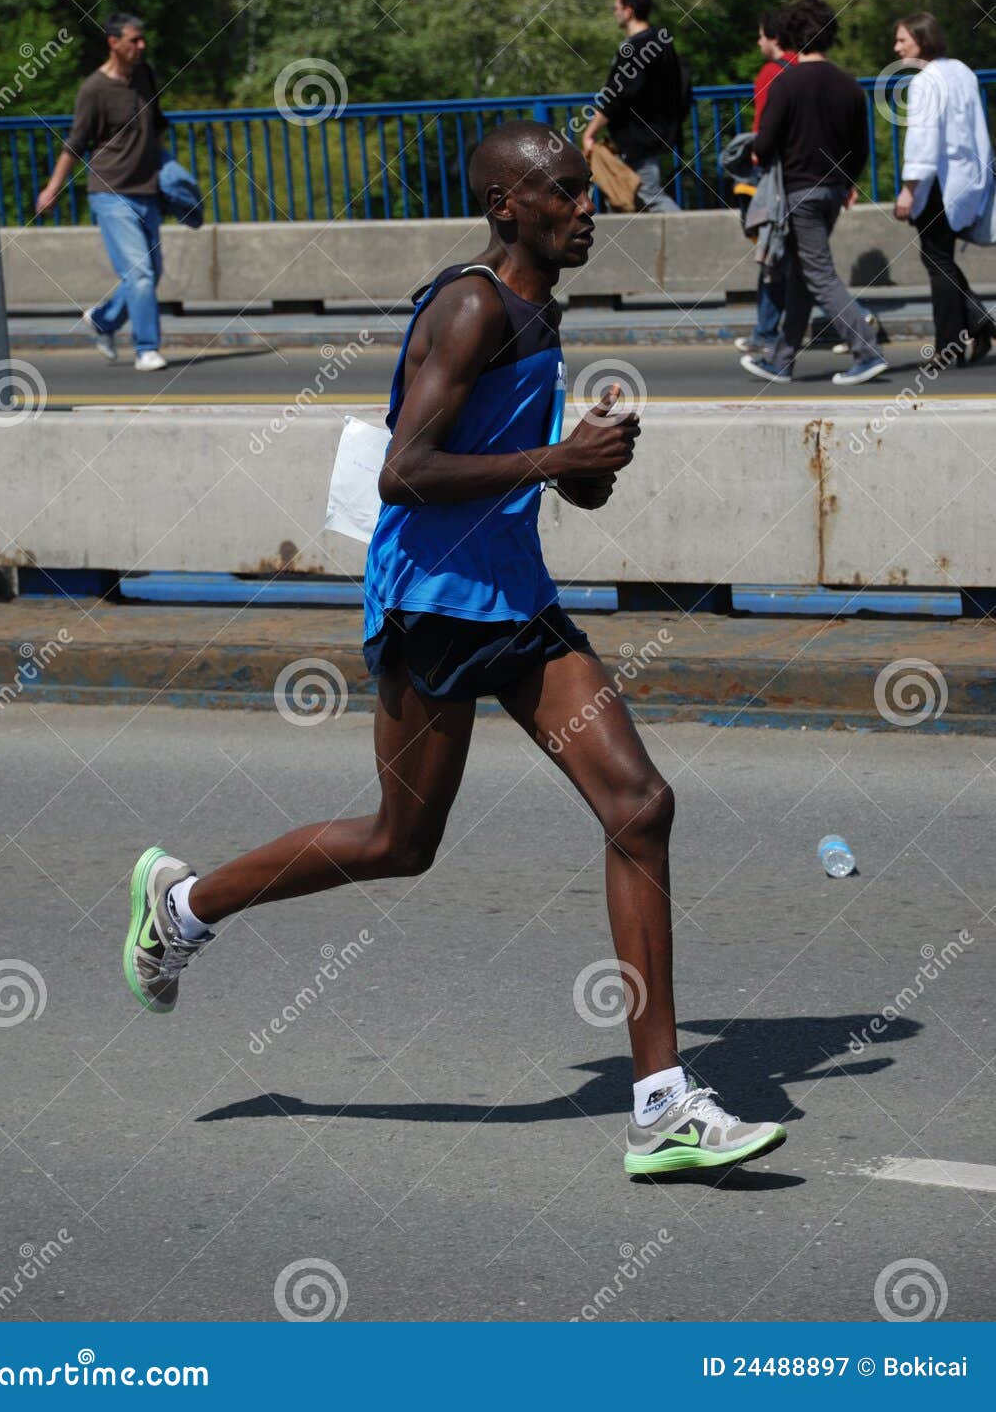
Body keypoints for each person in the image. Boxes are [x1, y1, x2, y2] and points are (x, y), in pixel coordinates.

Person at [122, 121, 786, 1179]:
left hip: (514, 600)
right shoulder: (471, 305)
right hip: (433, 603)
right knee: (399, 842)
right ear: (505, 206)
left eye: (585, 189)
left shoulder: (538, 305)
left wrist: (586, 466)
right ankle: (186, 906)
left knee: (640, 806)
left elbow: (524, 466)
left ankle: (661, 1103)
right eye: (563, 192)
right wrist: (555, 457)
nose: (586, 207)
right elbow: (407, 471)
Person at [740, 0, 889, 386]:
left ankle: (867, 351)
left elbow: (765, 143)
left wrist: (755, 151)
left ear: (791, 35)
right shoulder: (850, 86)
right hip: (833, 191)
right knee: (803, 275)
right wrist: (846, 184)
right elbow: (861, 148)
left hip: (799, 192)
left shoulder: (786, 83)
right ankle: (781, 360)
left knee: (818, 274)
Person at [36, 12, 169, 373]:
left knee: (150, 273)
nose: (141, 45)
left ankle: (102, 321)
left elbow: (157, 125)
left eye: (142, 39)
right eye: (134, 40)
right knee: (140, 273)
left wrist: (167, 173)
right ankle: (146, 349)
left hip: (146, 189)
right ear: (113, 42)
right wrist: (53, 187)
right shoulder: (93, 89)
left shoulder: (145, 75)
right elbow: (76, 143)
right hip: (111, 192)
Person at [892, 11, 994, 365]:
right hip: (964, 177)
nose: (897, 48)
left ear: (922, 40)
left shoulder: (925, 82)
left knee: (937, 261)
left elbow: (923, 141)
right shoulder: (961, 71)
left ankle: (949, 347)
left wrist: (909, 189)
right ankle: (979, 324)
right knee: (939, 257)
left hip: (937, 182)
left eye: (902, 40)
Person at [581, 0, 684, 213]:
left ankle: (690, 232)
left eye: (616, 8)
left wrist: (590, 132)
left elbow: (616, 95)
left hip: (637, 138)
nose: (614, 13)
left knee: (648, 196)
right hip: (659, 133)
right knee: (622, 199)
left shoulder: (636, 48)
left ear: (629, 11)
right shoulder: (661, 41)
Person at [735, 8, 799, 355]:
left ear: (773, 37)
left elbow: (763, 130)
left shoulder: (771, 73)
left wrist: (755, 157)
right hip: (810, 172)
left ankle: (765, 332)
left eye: (761, 36)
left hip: (777, 176)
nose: (758, 42)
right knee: (803, 258)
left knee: (774, 253)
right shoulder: (806, 67)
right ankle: (767, 330)